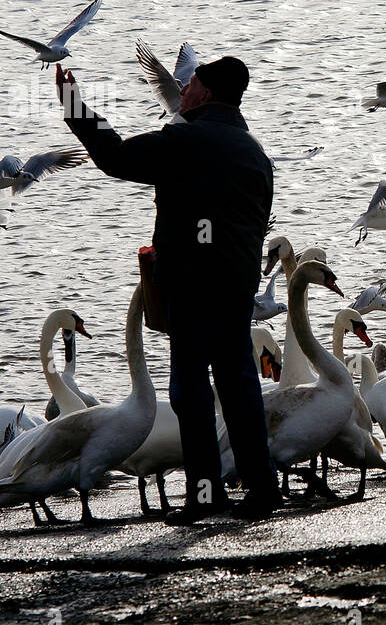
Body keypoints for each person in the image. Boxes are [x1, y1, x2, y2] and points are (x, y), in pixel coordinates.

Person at [54, 57, 282, 523]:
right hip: (238, 285)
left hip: (194, 284)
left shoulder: (185, 140)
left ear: (208, 93)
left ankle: (205, 495)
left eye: (192, 81)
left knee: (191, 389)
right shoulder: (254, 152)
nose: (185, 86)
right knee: (239, 385)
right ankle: (261, 489)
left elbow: (114, 157)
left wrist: (74, 105)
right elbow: (254, 225)